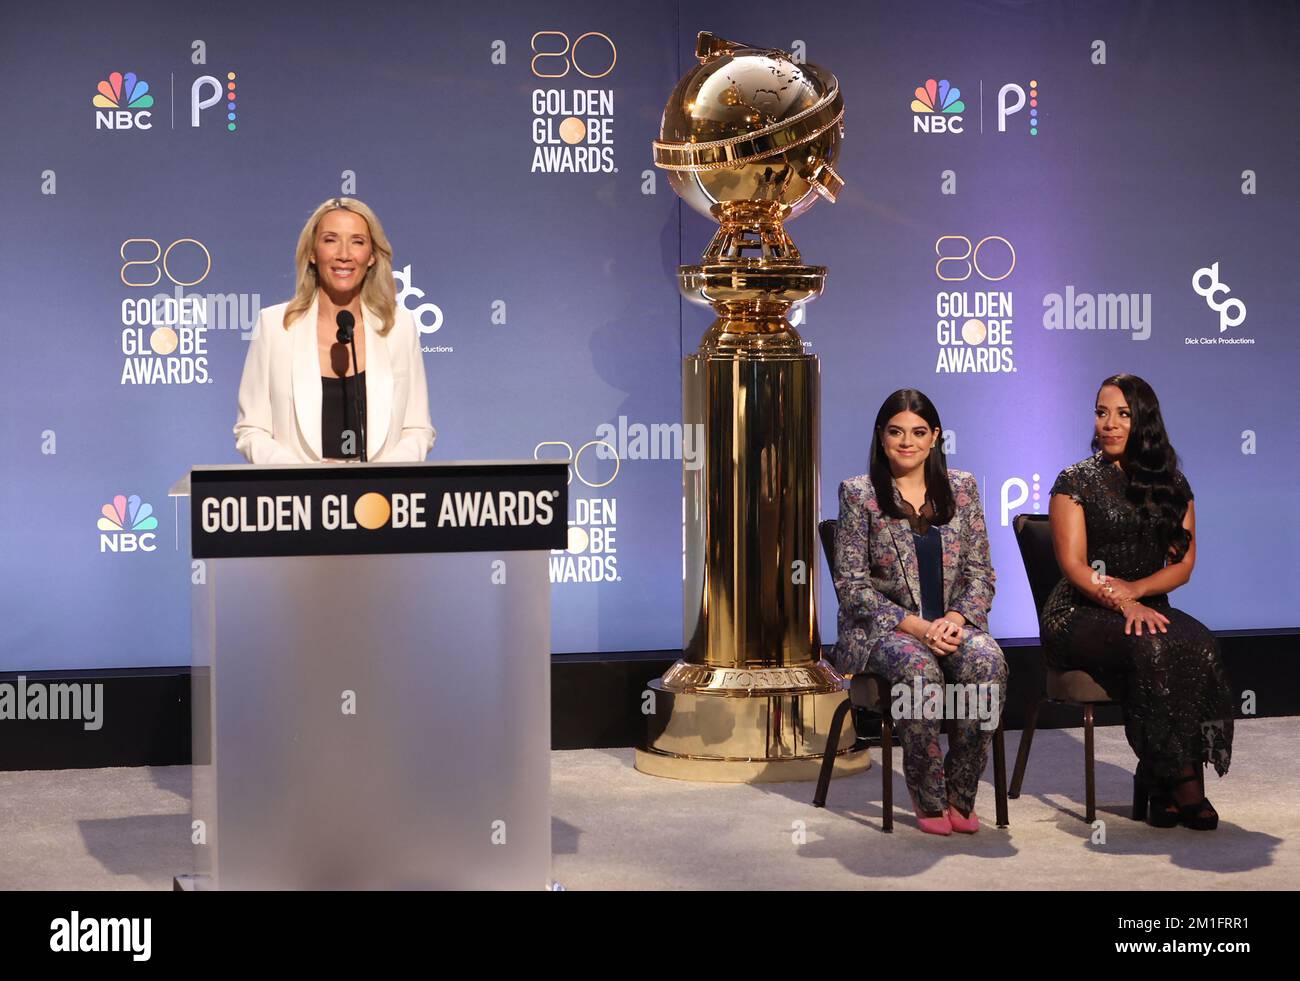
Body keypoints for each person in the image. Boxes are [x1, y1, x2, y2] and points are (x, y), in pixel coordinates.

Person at [1043, 373, 1232, 830]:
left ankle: (1159, 775)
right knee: (1150, 646)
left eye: (1122, 414)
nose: (1108, 423)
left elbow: (1182, 567)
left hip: (1147, 606)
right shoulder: (1075, 481)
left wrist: (1138, 593)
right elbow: (1073, 565)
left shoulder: (1172, 484)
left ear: (1143, 421)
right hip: (1079, 612)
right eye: (1102, 412)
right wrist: (1122, 601)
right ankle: (1179, 782)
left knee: (1200, 642)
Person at [832, 389, 1006, 835]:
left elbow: (981, 573)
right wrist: (917, 626)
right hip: (884, 630)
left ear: (934, 439)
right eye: (896, 432)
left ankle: (960, 794)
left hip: (949, 625)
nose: (906, 442)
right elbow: (852, 587)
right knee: (919, 670)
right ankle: (928, 796)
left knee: (988, 662)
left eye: (918, 432)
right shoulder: (859, 494)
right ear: (881, 437)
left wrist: (956, 620)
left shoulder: (962, 487)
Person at [234, 197, 435, 464]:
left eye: (357, 241)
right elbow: (252, 430)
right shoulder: (275, 326)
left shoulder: (399, 327)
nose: (344, 254)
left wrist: (380, 478)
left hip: (380, 499)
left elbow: (417, 429)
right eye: (330, 240)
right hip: (301, 498)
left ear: (372, 256)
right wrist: (308, 479)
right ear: (312, 253)